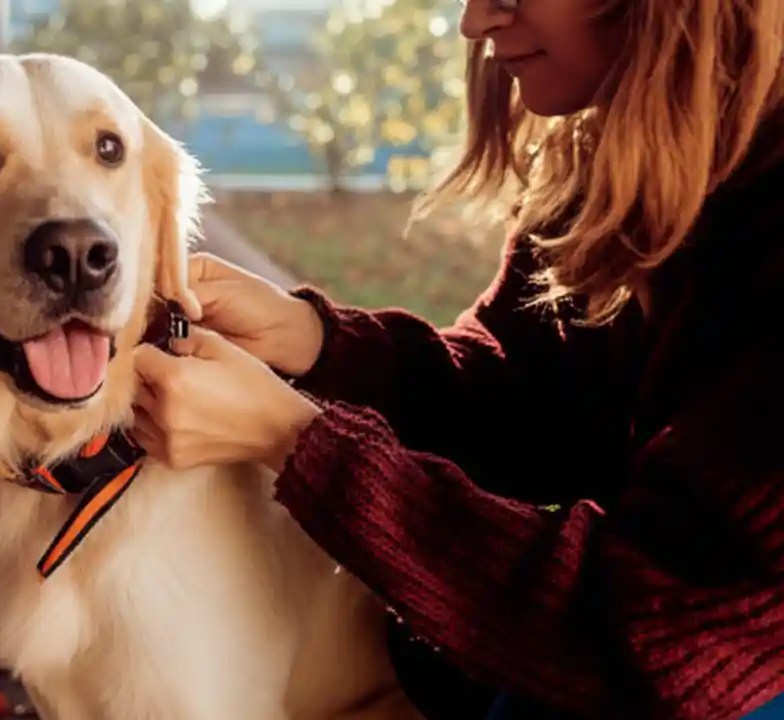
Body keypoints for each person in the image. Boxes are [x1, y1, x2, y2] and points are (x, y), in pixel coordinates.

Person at [130, 0, 784, 718]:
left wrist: (295, 442)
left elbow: (663, 640)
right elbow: (527, 397)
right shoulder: (625, 155)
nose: (475, 21)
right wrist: (315, 345)